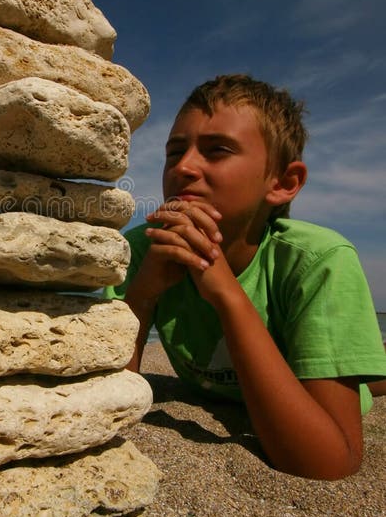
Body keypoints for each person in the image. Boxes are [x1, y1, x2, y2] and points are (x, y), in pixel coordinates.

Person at [105, 74, 386, 480]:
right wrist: (143, 293)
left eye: (217, 150)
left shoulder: (319, 261)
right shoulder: (141, 251)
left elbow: (330, 463)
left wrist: (228, 296)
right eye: (174, 152)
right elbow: (110, 398)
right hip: (228, 388)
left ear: (284, 183)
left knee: (367, 385)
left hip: (313, 395)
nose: (183, 167)